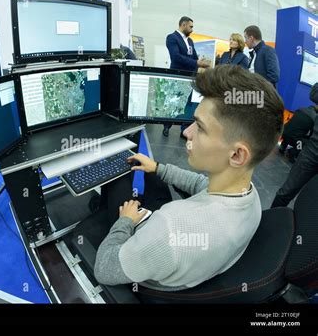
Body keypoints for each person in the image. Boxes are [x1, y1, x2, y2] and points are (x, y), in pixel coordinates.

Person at [94, 65, 284, 292]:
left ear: (237, 154)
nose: (187, 132)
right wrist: (158, 168)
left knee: (119, 178)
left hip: (149, 266)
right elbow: (201, 186)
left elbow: (105, 269)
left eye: (201, 128)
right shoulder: (251, 200)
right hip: (181, 253)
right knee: (147, 173)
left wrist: (125, 222)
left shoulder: (169, 228)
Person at [271, 83, 318, 208]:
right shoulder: (312, 118)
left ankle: (289, 149)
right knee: (300, 143)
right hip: (306, 146)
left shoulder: (301, 110)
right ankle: (293, 152)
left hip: (286, 135)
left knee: (287, 191)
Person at [164, 16, 210, 138]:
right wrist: (196, 63)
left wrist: (200, 62)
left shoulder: (190, 41)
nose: (192, 29)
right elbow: (176, 57)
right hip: (177, 76)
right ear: (183, 25)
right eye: (191, 26)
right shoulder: (172, 38)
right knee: (172, 102)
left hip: (190, 77)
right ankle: (166, 126)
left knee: (187, 104)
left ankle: (184, 129)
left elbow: (194, 57)